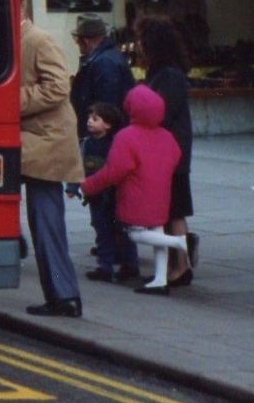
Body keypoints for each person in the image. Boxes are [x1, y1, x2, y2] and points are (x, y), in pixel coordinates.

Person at [81, 85, 199, 294]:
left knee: (136, 234)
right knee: (156, 232)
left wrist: (88, 185)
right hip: (161, 195)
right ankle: (159, 280)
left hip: (136, 196)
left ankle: (181, 242)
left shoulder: (127, 136)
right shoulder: (166, 136)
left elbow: (113, 172)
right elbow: (175, 157)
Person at [20, 11, 85, 318]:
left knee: (46, 222)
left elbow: (59, 87)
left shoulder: (38, 39)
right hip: (35, 141)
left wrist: (10, 98)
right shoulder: (20, 39)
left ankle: (64, 297)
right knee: (43, 221)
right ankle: (62, 295)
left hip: (44, 142)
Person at [136, 15, 197, 285]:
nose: (137, 47)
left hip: (171, 154)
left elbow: (160, 112)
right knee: (169, 210)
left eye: (141, 42)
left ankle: (181, 264)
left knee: (174, 211)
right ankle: (177, 262)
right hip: (164, 151)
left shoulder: (169, 76)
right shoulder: (160, 74)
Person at [70, 101, 142, 282]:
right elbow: (76, 167)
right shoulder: (85, 144)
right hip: (96, 197)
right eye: (89, 118)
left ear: (108, 124)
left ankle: (130, 265)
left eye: (95, 119)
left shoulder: (116, 143)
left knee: (123, 231)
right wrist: (72, 186)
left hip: (116, 196)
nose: (89, 121)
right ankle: (105, 266)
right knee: (102, 231)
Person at [71, 14, 135, 138]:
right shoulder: (107, 58)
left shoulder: (104, 63)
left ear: (85, 40)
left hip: (104, 136)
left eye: (77, 39)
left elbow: (107, 107)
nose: (76, 43)